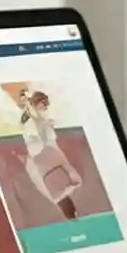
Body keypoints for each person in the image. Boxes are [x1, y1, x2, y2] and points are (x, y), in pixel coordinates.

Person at [20, 89, 83, 220]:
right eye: (43, 105)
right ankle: (70, 213)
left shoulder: (40, 120)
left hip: (47, 154)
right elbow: (32, 130)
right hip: (41, 154)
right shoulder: (31, 122)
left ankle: (71, 213)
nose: (45, 108)